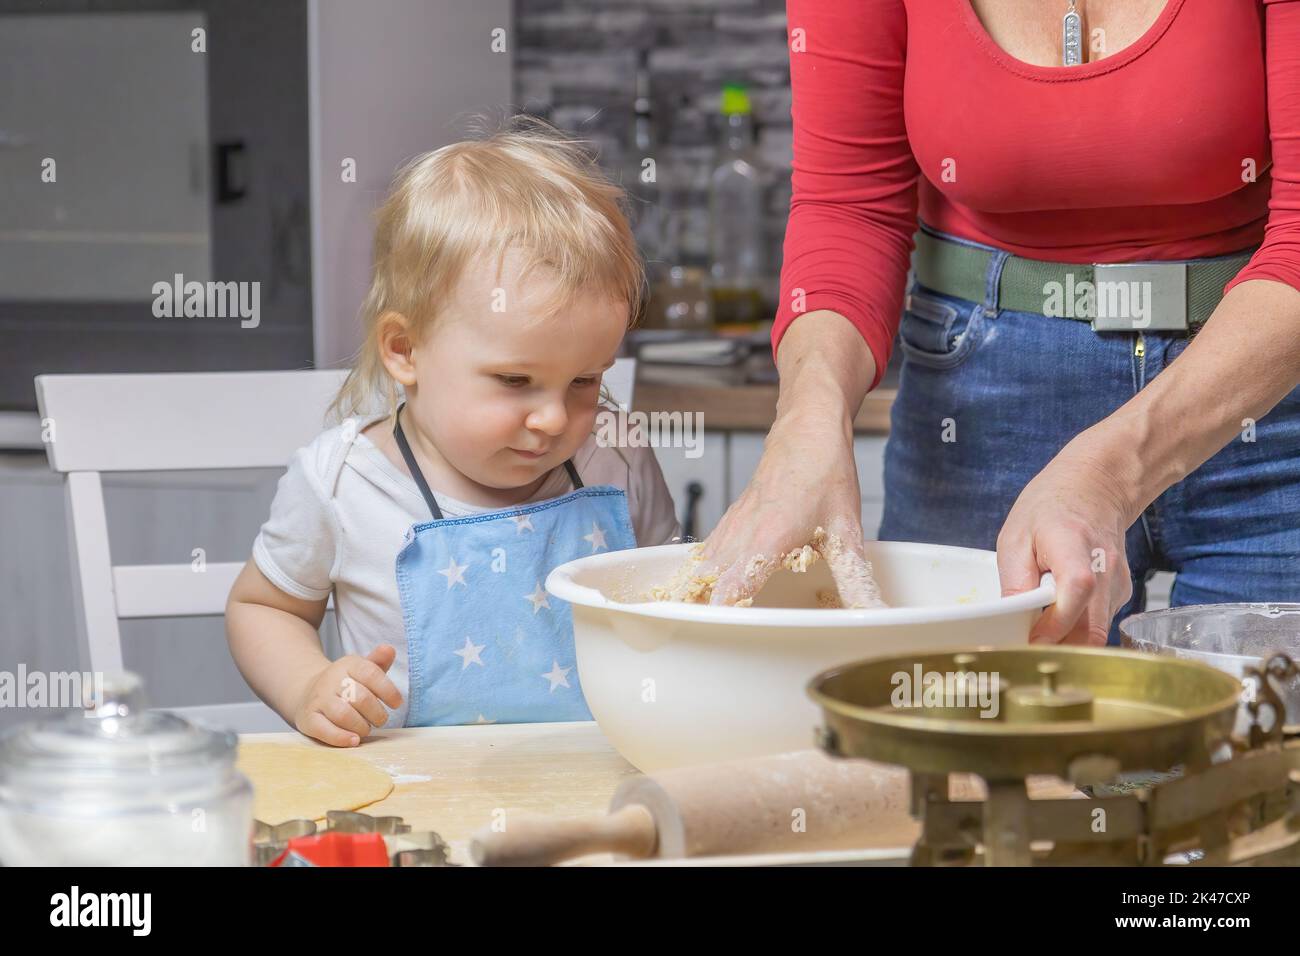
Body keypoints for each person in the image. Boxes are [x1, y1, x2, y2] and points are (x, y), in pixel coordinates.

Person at [701, 0, 1300, 645]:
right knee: (969, 729)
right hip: (981, 411)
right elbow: (849, 207)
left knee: (1267, 737)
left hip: (1260, 386)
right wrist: (806, 424)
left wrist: (1108, 470)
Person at [226, 119, 680, 746]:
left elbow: (672, 592)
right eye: (516, 380)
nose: (554, 418)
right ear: (405, 349)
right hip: (418, 804)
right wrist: (308, 685)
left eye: (584, 381)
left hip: (599, 782)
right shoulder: (343, 482)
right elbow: (262, 608)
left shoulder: (617, 456)